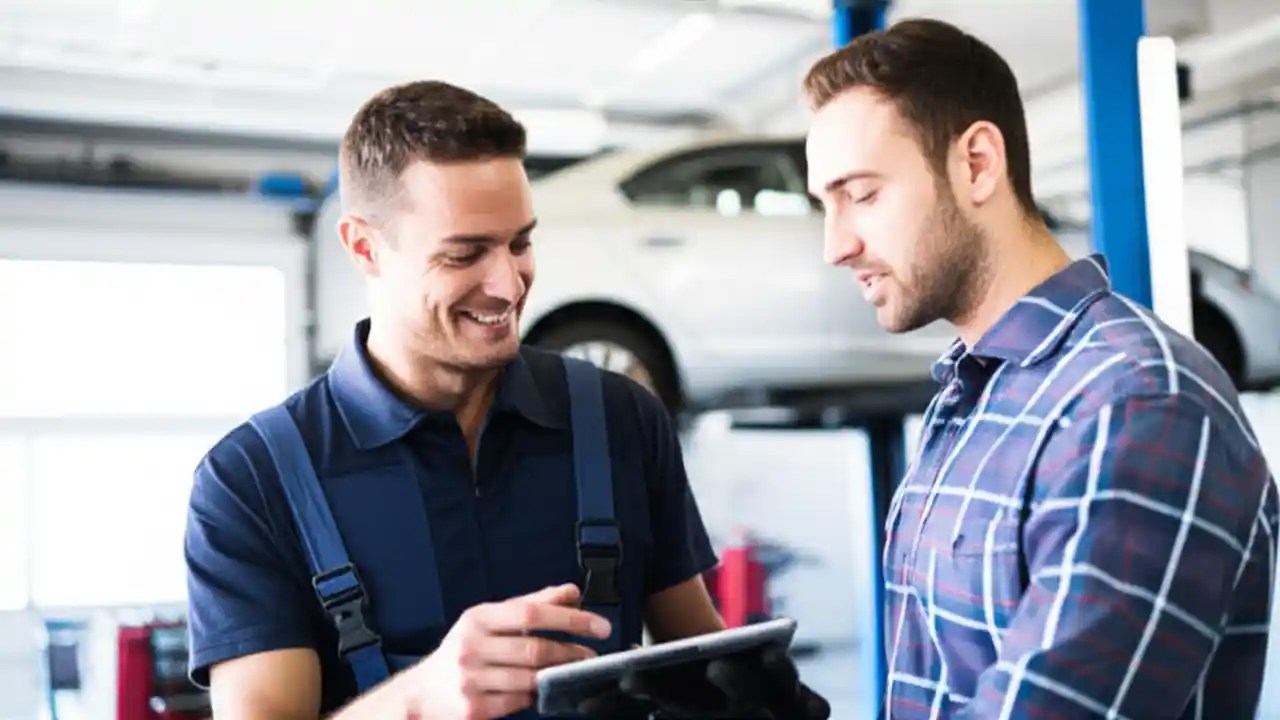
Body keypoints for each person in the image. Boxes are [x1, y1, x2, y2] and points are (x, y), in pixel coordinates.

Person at [183, 80, 829, 720]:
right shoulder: (250, 483)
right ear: (364, 247)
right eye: (465, 254)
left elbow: (696, 659)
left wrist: (750, 700)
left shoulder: (621, 420)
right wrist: (417, 700)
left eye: (520, 242)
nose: (507, 283)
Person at [802, 17, 1278, 720]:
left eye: (863, 195)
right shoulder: (973, 396)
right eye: (825, 205)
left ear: (977, 164)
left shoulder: (1138, 404)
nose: (835, 245)